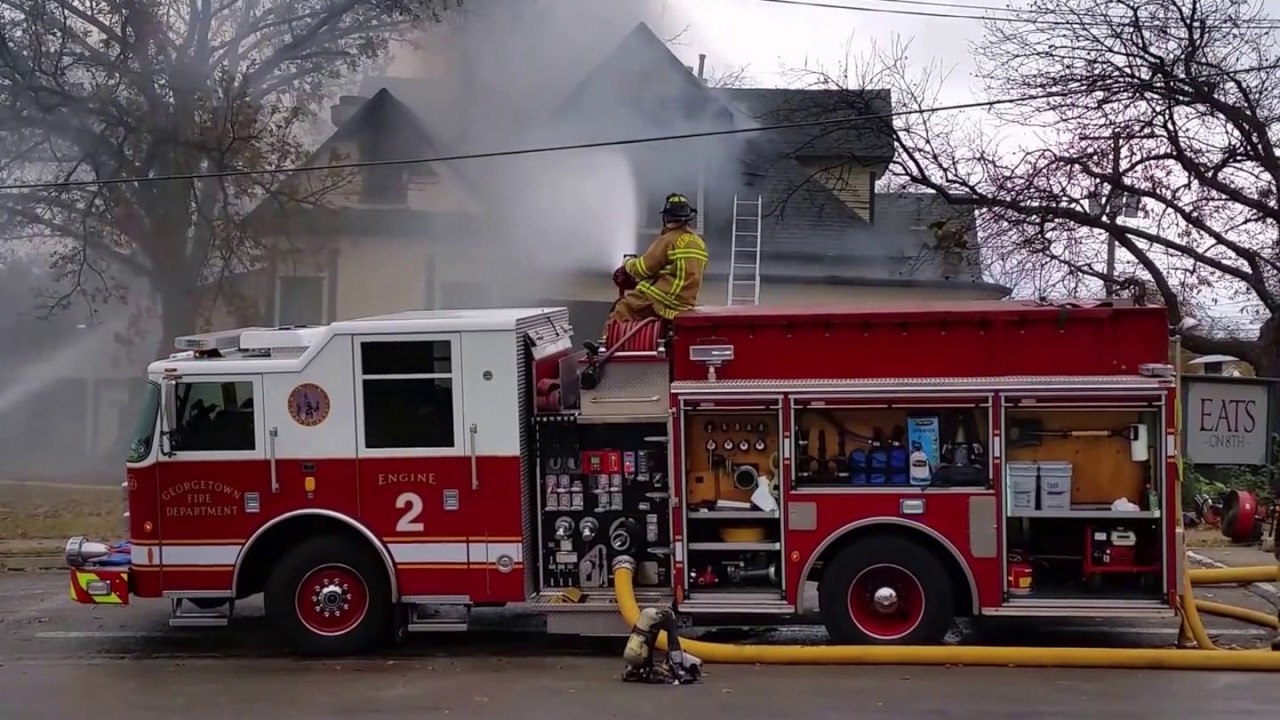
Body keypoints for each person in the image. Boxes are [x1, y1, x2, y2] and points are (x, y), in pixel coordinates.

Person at [608, 193, 709, 327]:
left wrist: (627, 262)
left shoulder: (668, 240)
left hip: (659, 301)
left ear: (667, 217)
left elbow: (642, 269)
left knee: (622, 310)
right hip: (684, 305)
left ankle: (608, 339)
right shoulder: (700, 244)